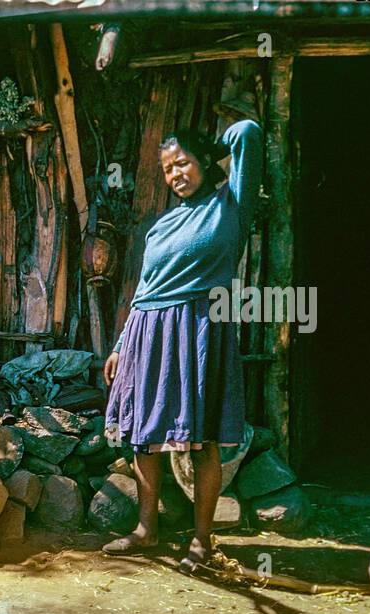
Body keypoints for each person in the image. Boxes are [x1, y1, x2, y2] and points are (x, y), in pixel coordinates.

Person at [102, 118, 263, 570]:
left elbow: (247, 131)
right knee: (143, 438)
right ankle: (145, 529)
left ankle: (202, 540)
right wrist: (119, 344)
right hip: (147, 331)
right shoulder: (161, 227)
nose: (175, 174)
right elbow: (143, 287)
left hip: (198, 328)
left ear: (205, 163)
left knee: (202, 439)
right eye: (168, 168)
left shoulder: (230, 205)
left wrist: (211, 148)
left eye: (184, 162)